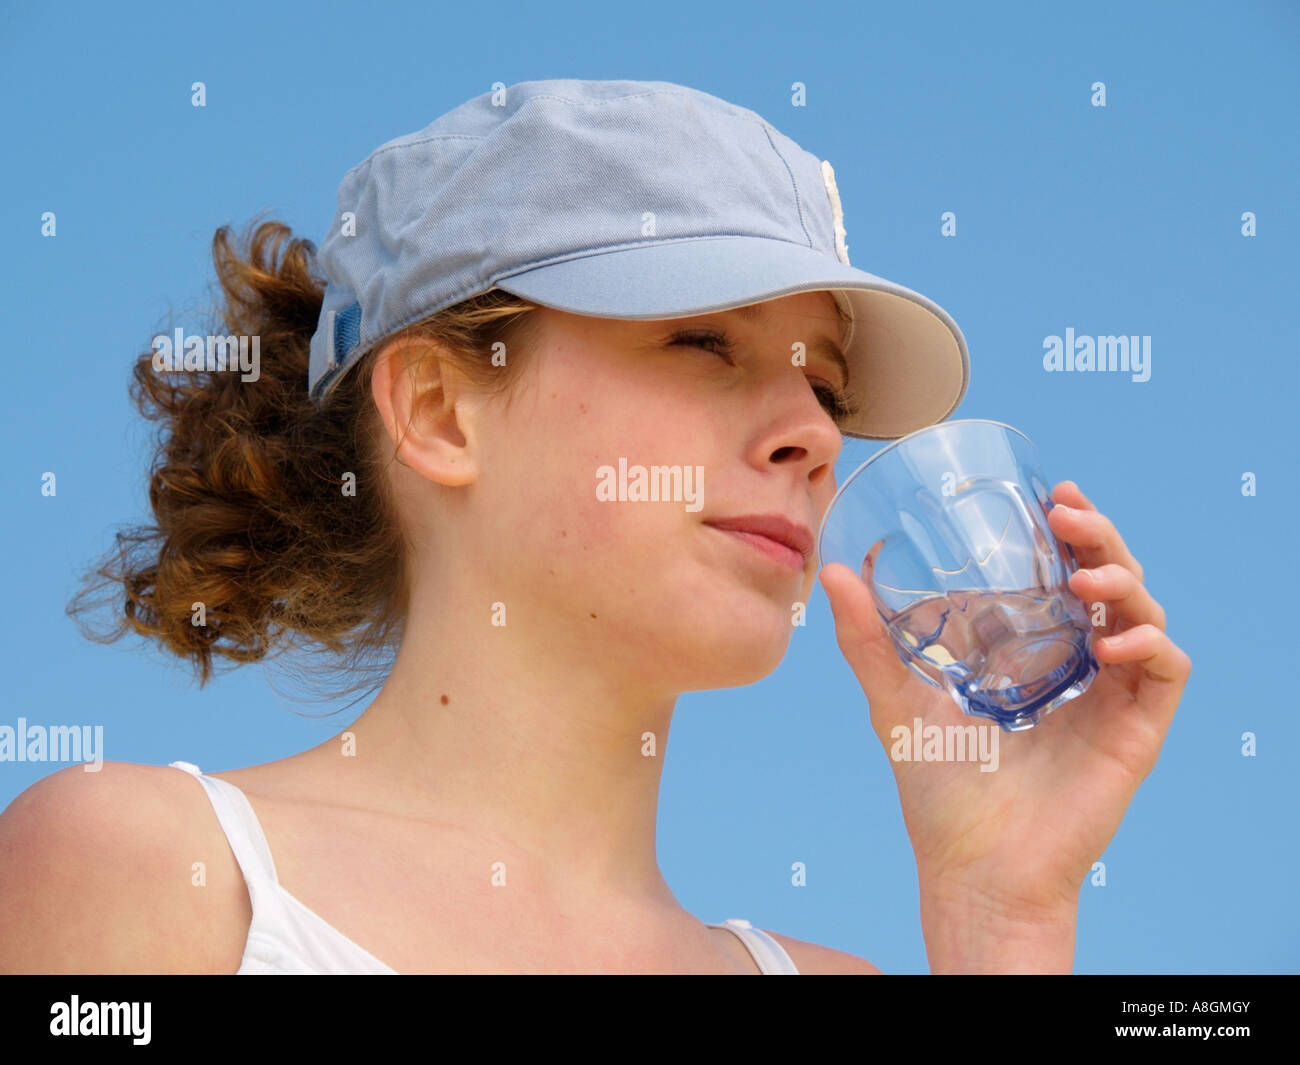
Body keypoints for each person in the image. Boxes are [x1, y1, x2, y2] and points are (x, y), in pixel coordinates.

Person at [0, 79, 1190, 975]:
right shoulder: (161, 872)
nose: (814, 437)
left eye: (825, 389)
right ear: (438, 411)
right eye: (702, 341)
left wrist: (1003, 914)